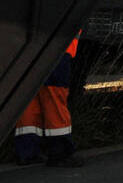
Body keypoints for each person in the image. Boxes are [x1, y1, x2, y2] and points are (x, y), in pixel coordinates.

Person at [14, 32, 83, 168]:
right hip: (57, 48)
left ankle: (28, 152)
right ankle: (61, 153)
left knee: (29, 98)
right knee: (54, 98)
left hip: (28, 48)